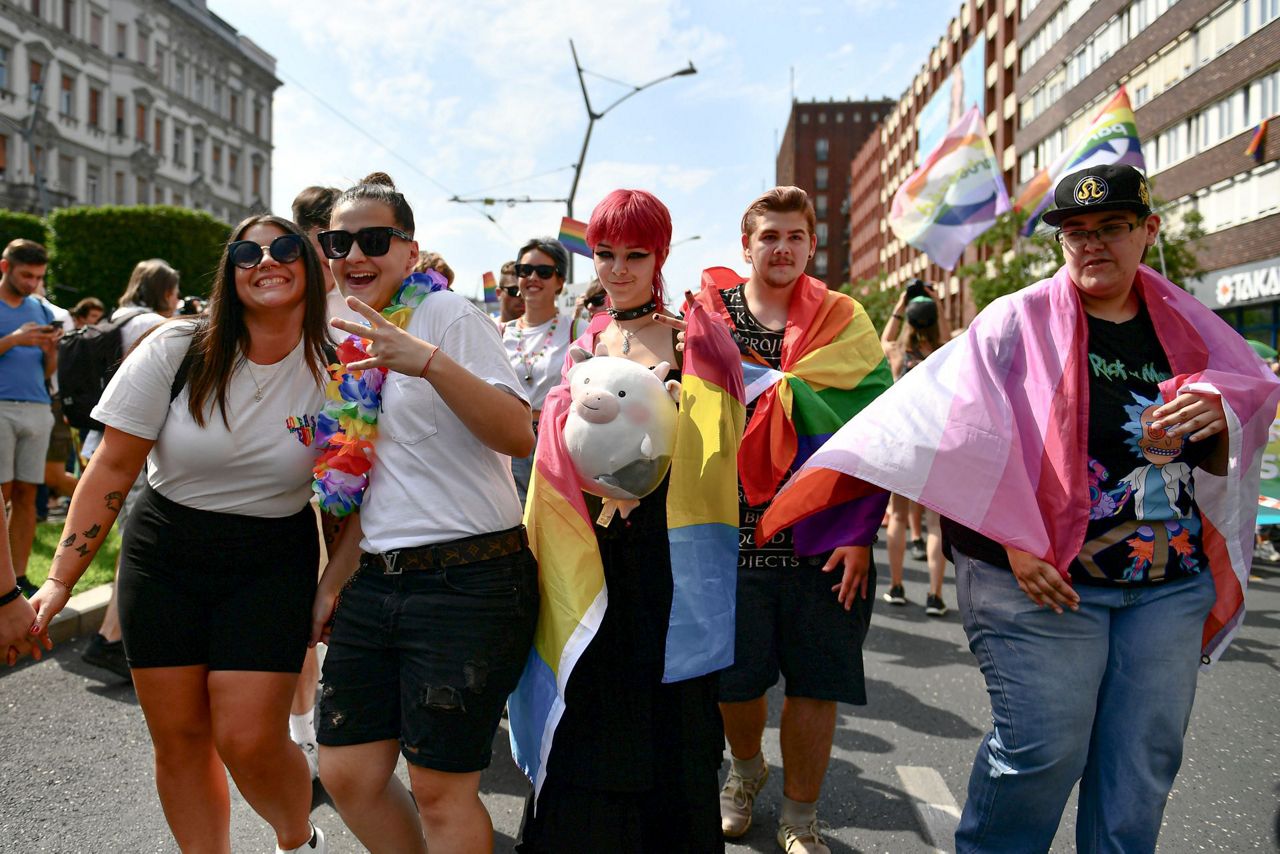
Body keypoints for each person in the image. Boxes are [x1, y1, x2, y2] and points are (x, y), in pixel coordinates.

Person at [759, 164, 1280, 853]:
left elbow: (1247, 405)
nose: (1094, 244)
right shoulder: (1013, 321)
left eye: (1114, 228)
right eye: (1077, 232)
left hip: (1167, 585)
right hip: (1037, 581)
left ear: (1148, 231)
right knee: (1041, 751)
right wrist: (1013, 544)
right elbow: (952, 436)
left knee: (1142, 765)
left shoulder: (1195, 326)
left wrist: (1221, 409)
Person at [29, 216, 333, 853]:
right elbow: (112, 465)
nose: (266, 261)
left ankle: (296, 835)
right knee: (180, 736)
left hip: (271, 558)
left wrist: (336, 582)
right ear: (230, 269)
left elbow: (357, 492)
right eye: (248, 251)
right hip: (166, 553)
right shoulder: (177, 348)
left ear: (309, 264)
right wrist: (60, 579)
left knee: (248, 738)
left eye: (284, 249)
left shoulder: (338, 363)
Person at [512, 188, 744, 854]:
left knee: (669, 707)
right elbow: (556, 445)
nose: (617, 268)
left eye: (634, 254)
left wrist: (658, 468)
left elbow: (718, 448)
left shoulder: (691, 336)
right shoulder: (586, 339)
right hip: (589, 545)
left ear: (659, 256)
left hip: (667, 554)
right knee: (587, 696)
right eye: (606, 253)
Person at [310, 172, 536, 854]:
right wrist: (330, 585)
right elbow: (379, 487)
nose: (355, 255)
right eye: (339, 240)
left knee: (441, 790)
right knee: (346, 770)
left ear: (410, 252)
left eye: (374, 239)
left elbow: (519, 433)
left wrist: (428, 362)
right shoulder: (342, 336)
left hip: (468, 582)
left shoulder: (448, 317)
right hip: (377, 580)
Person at [693, 187, 892, 854]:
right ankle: (746, 769)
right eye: (768, 235)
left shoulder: (845, 319)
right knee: (734, 684)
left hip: (824, 538)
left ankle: (801, 818)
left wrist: (861, 535)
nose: (781, 247)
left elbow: (876, 431)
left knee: (815, 685)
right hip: (730, 538)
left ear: (812, 245)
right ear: (746, 245)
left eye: (795, 237)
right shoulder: (710, 318)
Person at [80, 259, 183, 679]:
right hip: (137, 446)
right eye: (173, 293)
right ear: (163, 291)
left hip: (101, 436)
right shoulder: (152, 326)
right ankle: (110, 639)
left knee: (130, 542)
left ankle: (112, 637)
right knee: (138, 545)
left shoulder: (115, 318)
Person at [289, 183, 346, 779]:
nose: (340, 252)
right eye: (329, 237)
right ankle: (303, 736)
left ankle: (334, 728)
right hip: (294, 485)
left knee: (344, 609)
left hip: (358, 487)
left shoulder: (366, 303)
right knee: (305, 615)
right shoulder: (284, 298)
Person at [879, 281, 952, 616]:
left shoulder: (897, 353)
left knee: (896, 516)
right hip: (935, 444)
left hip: (900, 443)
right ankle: (935, 595)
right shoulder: (944, 351)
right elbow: (947, 331)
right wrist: (936, 300)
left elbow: (885, 338)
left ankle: (896, 586)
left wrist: (900, 301)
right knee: (936, 525)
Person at [0, 239, 60, 598]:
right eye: (26, 275)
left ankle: (17, 578)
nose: (33, 283)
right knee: (1, 494)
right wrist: (14, 339)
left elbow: (48, 369)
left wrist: (51, 350)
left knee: (26, 495)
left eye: (38, 276)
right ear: (5, 267)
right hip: (2, 406)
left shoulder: (40, 308)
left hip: (37, 407)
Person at [501, 238, 574, 505]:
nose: (532, 278)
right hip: (511, 440)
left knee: (556, 518)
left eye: (543, 272)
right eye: (524, 270)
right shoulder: (500, 332)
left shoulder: (577, 329)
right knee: (515, 519)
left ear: (560, 281)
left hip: (558, 440)